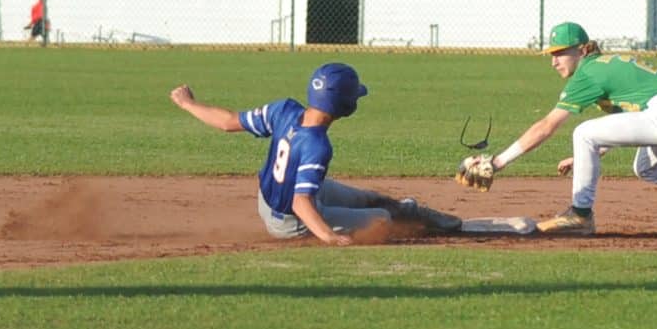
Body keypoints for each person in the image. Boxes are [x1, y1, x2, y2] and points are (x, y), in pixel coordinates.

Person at [474, 21, 657, 235]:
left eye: (559, 53)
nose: (553, 61)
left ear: (581, 50)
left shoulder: (587, 73)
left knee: (583, 132)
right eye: (551, 54)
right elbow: (625, 126)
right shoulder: (605, 65)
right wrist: (584, 156)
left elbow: (546, 126)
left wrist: (496, 162)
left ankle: (580, 215)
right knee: (646, 167)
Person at [170, 62, 461, 245]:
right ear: (345, 105)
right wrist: (328, 236)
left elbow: (227, 122)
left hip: (271, 195)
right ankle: (411, 223)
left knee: (368, 199)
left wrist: (187, 104)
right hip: (288, 220)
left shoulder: (284, 109)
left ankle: (411, 211)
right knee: (381, 219)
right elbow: (300, 203)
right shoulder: (318, 146)